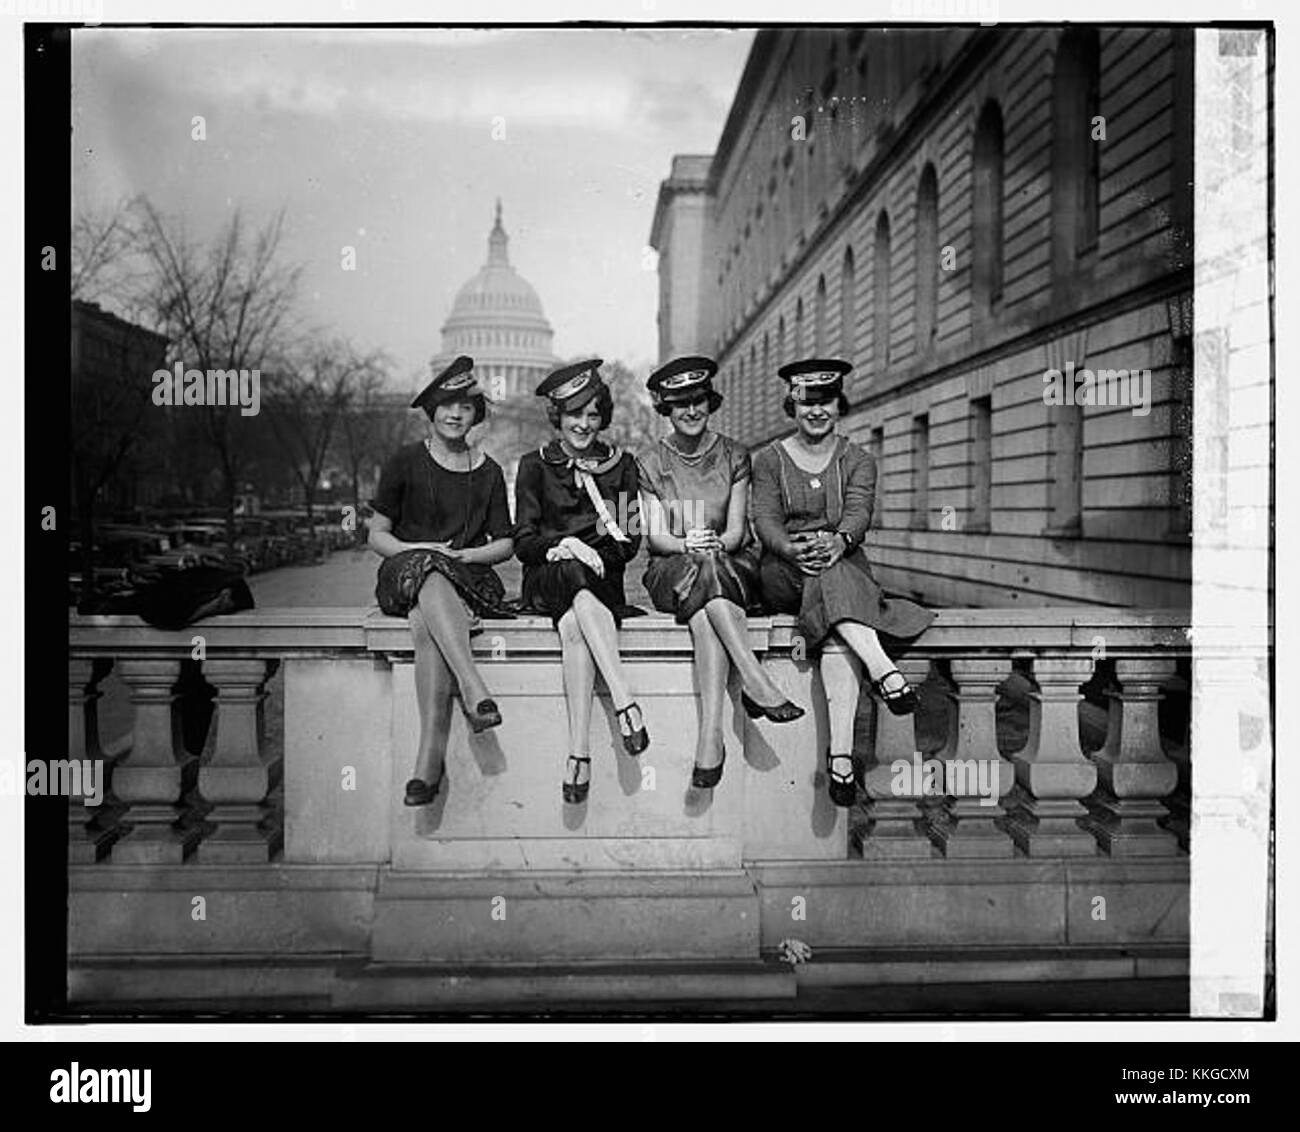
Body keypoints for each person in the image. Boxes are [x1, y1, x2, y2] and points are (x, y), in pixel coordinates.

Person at [750, 358, 934, 807]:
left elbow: (859, 511)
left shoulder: (859, 459)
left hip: (841, 563)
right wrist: (794, 549)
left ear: (839, 405)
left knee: (838, 627)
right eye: (806, 402)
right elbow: (765, 518)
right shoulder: (770, 460)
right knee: (833, 581)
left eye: (826, 402)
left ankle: (841, 760)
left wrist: (840, 539)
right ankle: (883, 671)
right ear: (792, 405)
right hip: (783, 572)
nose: (817, 411)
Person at [638, 356, 804, 790]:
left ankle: (710, 737)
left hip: (728, 562)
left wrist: (712, 545)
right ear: (666, 409)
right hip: (671, 566)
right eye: (679, 404)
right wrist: (687, 544)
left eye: (698, 402)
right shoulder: (651, 461)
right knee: (706, 577)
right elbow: (655, 537)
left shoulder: (734, 455)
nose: (691, 412)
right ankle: (753, 677)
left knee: (706, 602)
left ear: (710, 403)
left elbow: (736, 532)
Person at [368, 355, 515, 807]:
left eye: (465, 407)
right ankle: (473, 687)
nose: (455, 414)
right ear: (431, 413)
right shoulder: (404, 462)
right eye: (447, 406)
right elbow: (376, 534)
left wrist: (465, 554)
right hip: (405, 569)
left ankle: (428, 762)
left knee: (424, 625)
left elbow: (505, 544)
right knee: (429, 570)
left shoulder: (488, 471)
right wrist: (423, 552)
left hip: (465, 574)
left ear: (475, 415)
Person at [512, 359, 649, 804]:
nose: (584, 424)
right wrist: (570, 546)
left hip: (602, 577)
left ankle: (579, 753)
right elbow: (524, 541)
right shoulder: (533, 466)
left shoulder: (623, 465)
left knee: (574, 626)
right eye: (574, 414)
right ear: (558, 417)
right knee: (573, 573)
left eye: (593, 414)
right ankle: (624, 701)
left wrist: (595, 555)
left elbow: (630, 539)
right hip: (546, 578)